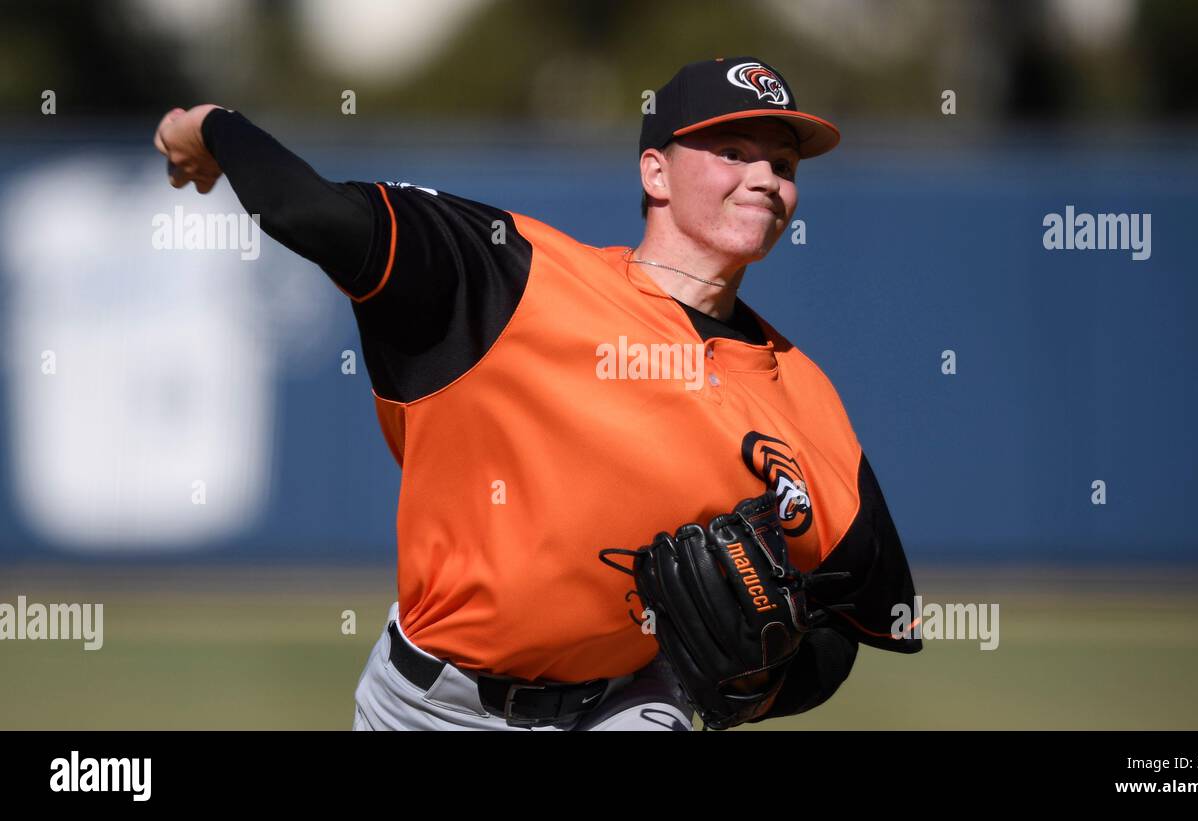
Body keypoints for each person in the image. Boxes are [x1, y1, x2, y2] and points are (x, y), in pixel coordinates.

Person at [153, 55, 921, 731]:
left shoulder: (806, 397)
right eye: (731, 150)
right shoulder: (515, 278)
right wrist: (215, 125)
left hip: (629, 702)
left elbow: (855, 620)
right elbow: (309, 212)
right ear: (655, 171)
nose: (764, 178)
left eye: (783, 164)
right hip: (431, 705)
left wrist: (762, 680)